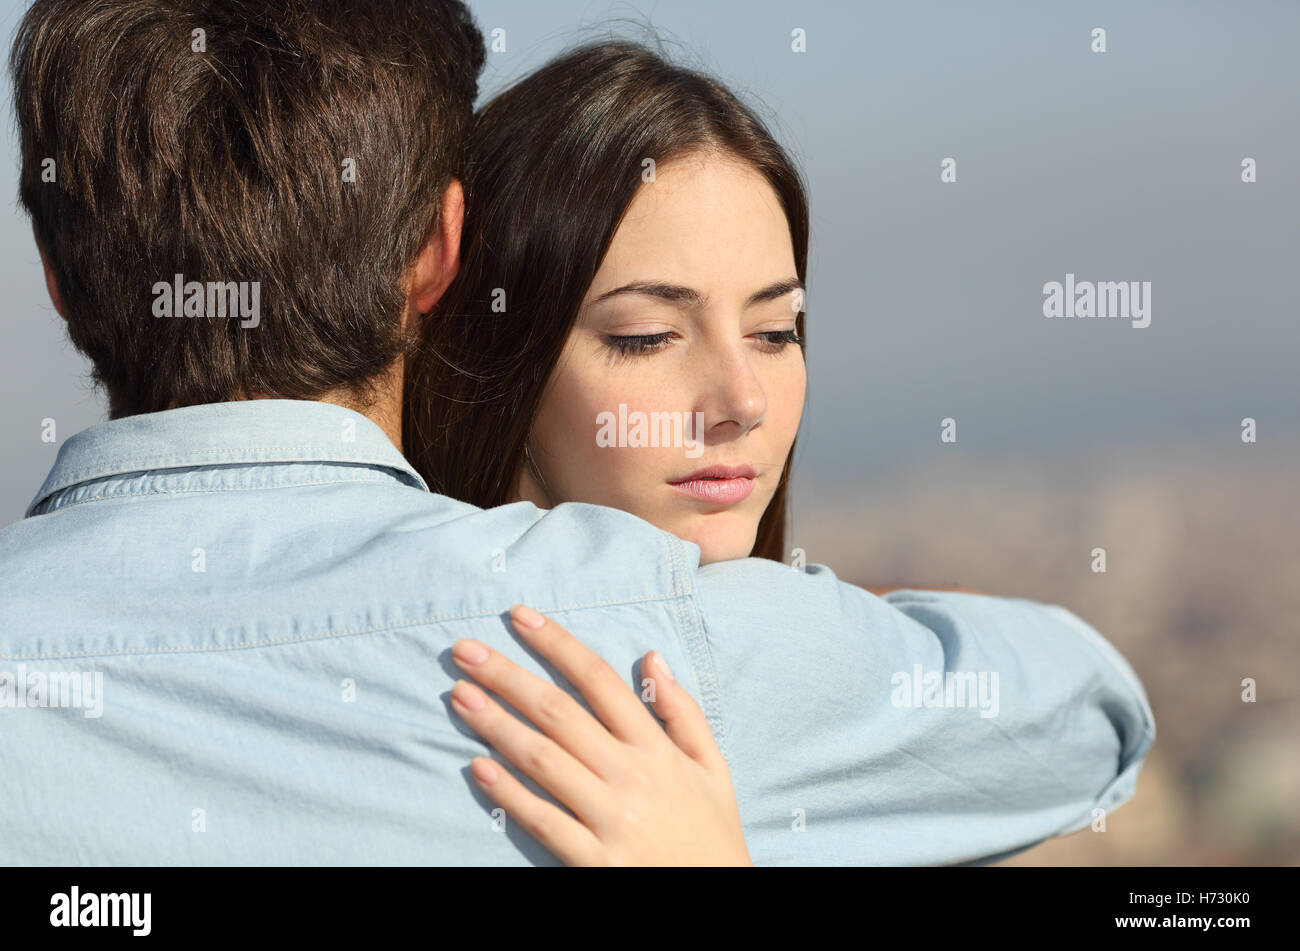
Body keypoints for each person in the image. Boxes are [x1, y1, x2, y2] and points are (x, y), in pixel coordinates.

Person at [0, 0, 1153, 865]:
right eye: (646, 335)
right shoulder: (625, 661)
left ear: (56, 279)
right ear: (440, 257)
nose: (740, 400)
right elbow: (1085, 710)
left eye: (779, 328)